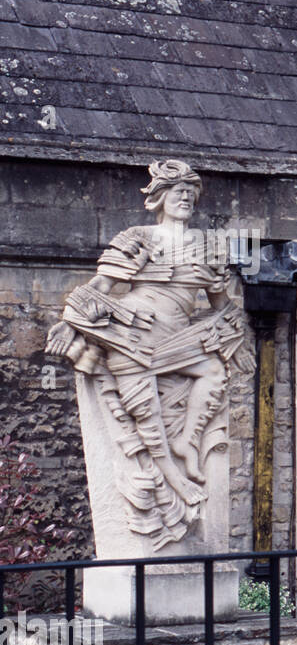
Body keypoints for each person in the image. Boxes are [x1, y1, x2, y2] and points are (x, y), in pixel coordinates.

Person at [46, 160, 250, 547]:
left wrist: (235, 342)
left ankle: (187, 441)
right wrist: (70, 323)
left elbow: (222, 304)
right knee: (147, 421)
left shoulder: (208, 246)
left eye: (191, 193)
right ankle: (176, 485)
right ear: (158, 198)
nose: (185, 198)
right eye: (178, 192)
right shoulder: (137, 236)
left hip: (181, 339)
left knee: (213, 373)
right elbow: (101, 286)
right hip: (133, 338)